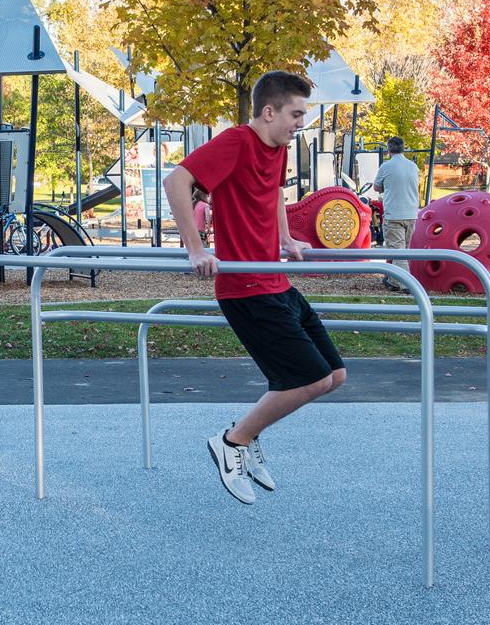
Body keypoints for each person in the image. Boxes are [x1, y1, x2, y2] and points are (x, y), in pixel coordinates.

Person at [164, 71, 347, 505]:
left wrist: (286, 239)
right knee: (311, 379)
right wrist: (195, 248)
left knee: (334, 375)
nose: (301, 122)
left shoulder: (279, 148)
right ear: (269, 112)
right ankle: (232, 442)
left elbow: (275, 194)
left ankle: (246, 437)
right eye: (296, 114)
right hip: (246, 287)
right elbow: (177, 182)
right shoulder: (237, 142)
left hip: (275, 280)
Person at [374, 136, 423, 261]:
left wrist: (387, 187)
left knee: (397, 254)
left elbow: (376, 187)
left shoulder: (386, 166)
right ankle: (392, 276)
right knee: (404, 252)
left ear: (388, 150)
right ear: (403, 149)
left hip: (394, 215)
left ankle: (399, 280)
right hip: (411, 214)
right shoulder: (413, 166)